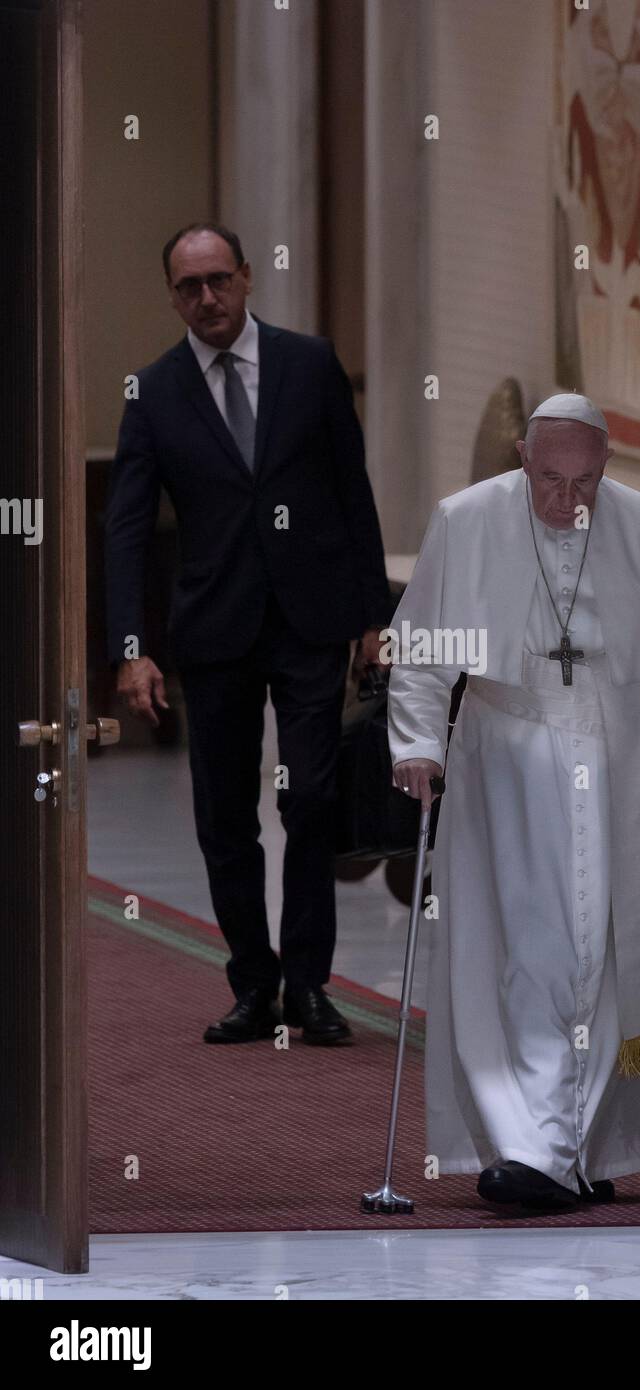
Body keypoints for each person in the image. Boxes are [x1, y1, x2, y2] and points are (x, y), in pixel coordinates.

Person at [386, 393, 640, 1212]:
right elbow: (423, 648)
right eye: (549, 479)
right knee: (524, 950)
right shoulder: (465, 519)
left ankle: (574, 1148)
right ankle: (535, 1144)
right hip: (502, 762)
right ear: (521, 455)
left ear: (607, 466)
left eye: (585, 482)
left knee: (606, 956)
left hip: (624, 763)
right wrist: (417, 743)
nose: (566, 501)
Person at [105, 222, 392, 1047]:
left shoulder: (308, 364)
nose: (207, 300)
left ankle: (308, 987)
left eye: (218, 282)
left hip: (310, 623)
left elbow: (352, 491)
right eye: (189, 288)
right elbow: (125, 528)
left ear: (246, 279)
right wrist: (133, 646)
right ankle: (251, 984)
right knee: (225, 815)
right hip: (214, 629)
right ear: (173, 297)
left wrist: (374, 618)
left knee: (309, 800)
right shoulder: (152, 392)